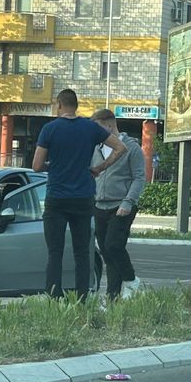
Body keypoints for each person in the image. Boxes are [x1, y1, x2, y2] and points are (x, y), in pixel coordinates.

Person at [32, 90, 128, 299]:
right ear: (76, 105)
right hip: (83, 198)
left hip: (56, 198)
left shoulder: (49, 129)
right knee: (82, 252)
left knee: (55, 253)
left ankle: (54, 299)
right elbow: (120, 147)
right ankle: (82, 299)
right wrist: (100, 167)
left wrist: (55, 166)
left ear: (59, 105)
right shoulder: (91, 128)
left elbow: (37, 165)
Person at [90, 109, 147, 302]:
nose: (95, 133)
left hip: (121, 206)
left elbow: (139, 177)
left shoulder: (131, 147)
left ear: (109, 125)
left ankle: (131, 281)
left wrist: (128, 202)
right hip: (99, 205)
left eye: (97, 128)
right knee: (106, 252)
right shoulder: (96, 148)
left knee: (114, 245)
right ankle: (112, 296)